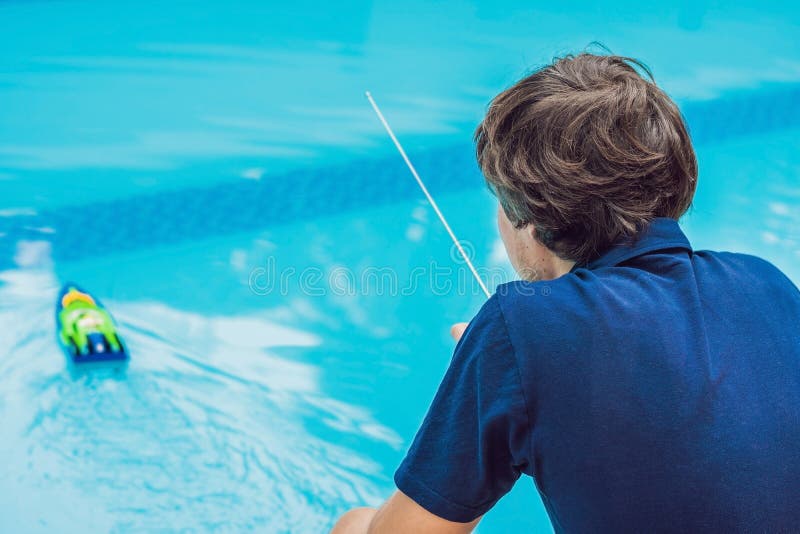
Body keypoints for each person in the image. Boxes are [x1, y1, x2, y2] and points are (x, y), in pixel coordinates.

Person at [332, 53, 800, 533]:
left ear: (526, 218)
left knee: (355, 524)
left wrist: (497, 359)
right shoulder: (768, 282)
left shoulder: (520, 325)